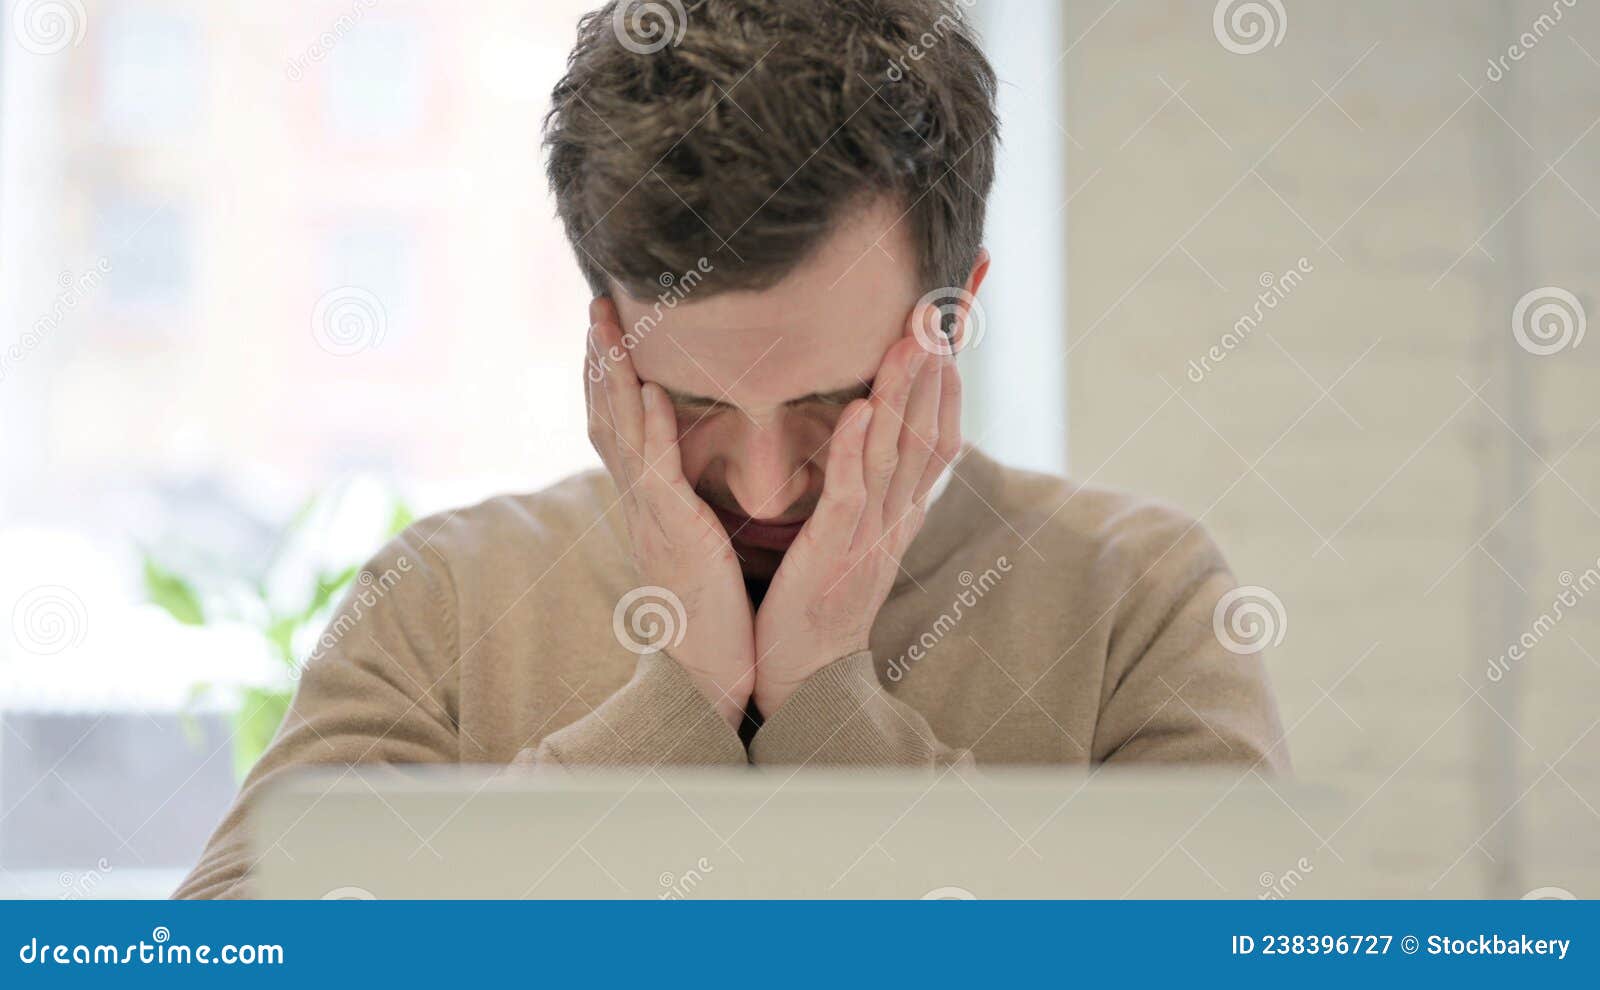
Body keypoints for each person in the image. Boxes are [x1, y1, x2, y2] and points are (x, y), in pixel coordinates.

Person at [174, 0, 1287, 899]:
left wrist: (823, 698)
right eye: (691, 398)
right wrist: (681, 694)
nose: (761, 483)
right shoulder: (448, 596)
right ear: (605, 338)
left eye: (833, 400)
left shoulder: (1134, 597)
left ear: (953, 318)